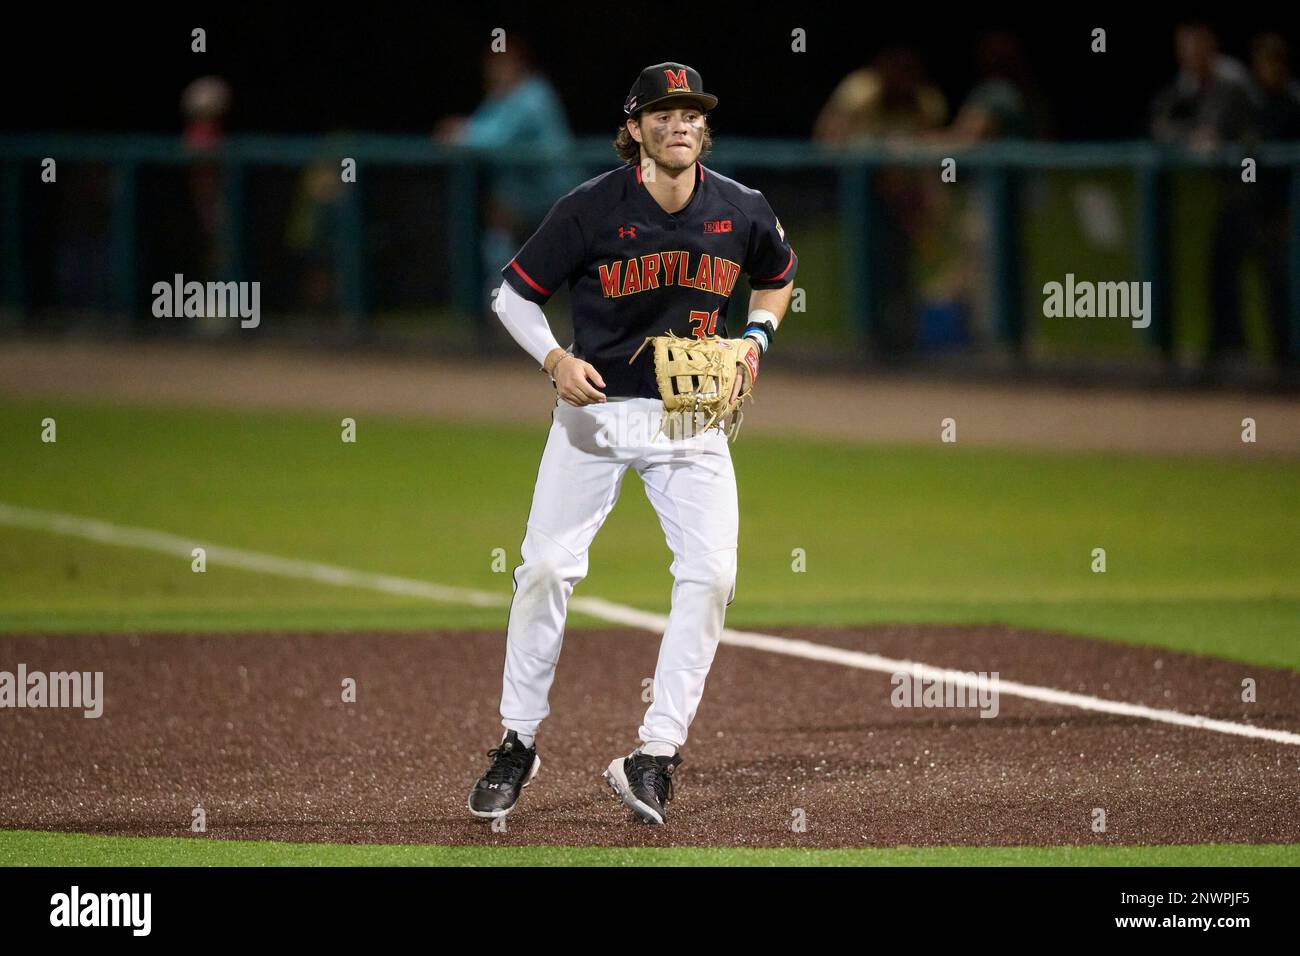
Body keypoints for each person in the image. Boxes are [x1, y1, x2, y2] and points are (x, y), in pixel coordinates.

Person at [466, 62, 796, 825]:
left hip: (691, 423)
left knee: (712, 577)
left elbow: (777, 275)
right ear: (635, 127)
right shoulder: (590, 209)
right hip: (596, 416)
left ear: (703, 128)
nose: (680, 123)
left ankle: (653, 756)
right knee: (547, 567)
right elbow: (511, 295)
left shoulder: (742, 207)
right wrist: (553, 358)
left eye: (691, 113)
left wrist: (753, 339)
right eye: (664, 112)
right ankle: (517, 742)